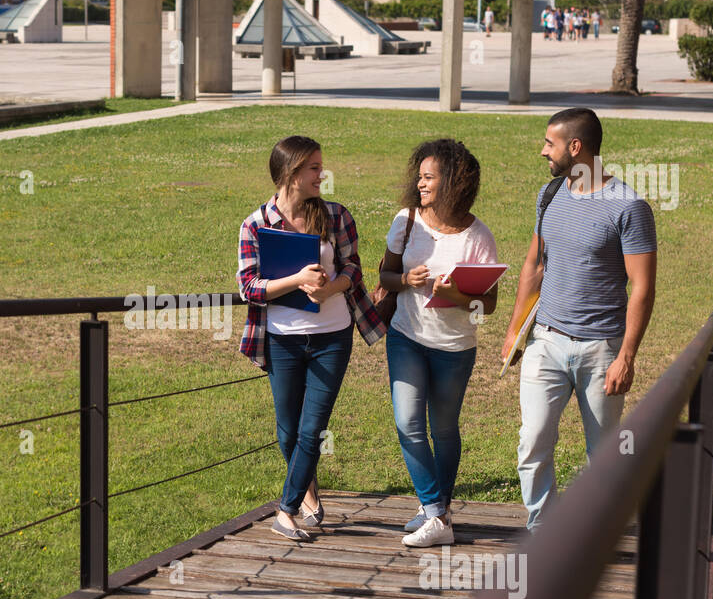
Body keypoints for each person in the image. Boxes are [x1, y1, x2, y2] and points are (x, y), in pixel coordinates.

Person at [500, 108, 657, 531]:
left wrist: (626, 356)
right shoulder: (549, 195)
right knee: (532, 442)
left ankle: (597, 536)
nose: (542, 151)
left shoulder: (628, 207)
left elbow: (642, 287)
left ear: (575, 147)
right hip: (546, 341)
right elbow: (534, 263)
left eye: (549, 144)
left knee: (603, 453)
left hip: (601, 349)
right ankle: (542, 532)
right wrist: (516, 329)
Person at [236, 136, 387, 542]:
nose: (322, 174)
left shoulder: (336, 216)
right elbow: (249, 287)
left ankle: (284, 510)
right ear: (290, 173)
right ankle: (307, 488)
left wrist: (332, 287)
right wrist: (298, 281)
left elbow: (353, 268)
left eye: (321, 167)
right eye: (313, 168)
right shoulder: (255, 225)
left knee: (312, 426)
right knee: (288, 429)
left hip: (332, 337)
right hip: (282, 339)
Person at [377, 140, 499, 548]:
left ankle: (438, 513)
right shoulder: (406, 221)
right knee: (407, 422)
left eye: (429, 177)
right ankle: (434, 510)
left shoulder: (478, 236)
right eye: (420, 175)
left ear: (453, 181)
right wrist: (405, 281)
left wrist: (458, 295)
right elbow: (387, 276)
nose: (420, 183)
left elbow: (491, 304)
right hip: (406, 336)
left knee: (444, 429)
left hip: (455, 346)